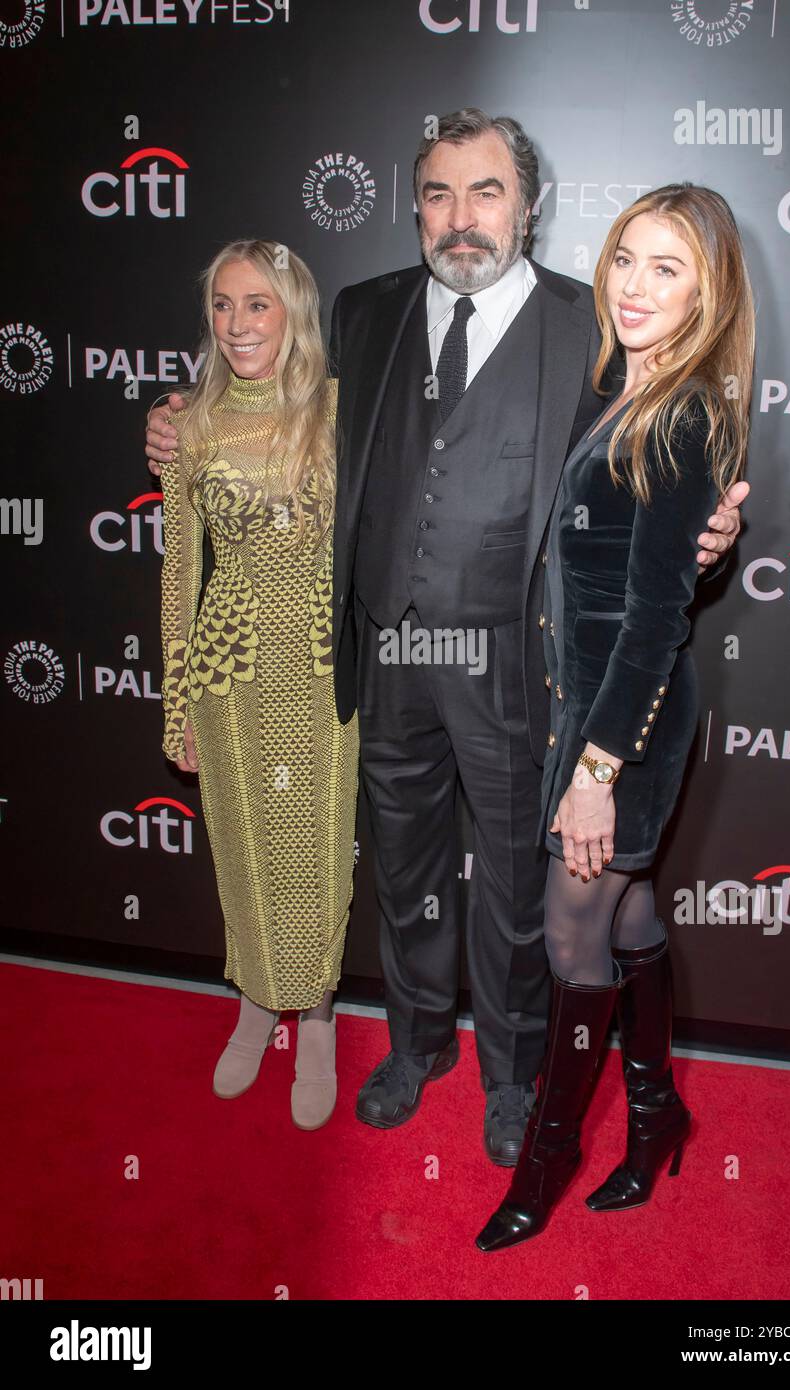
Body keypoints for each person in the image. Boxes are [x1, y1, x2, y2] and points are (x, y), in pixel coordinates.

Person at [148, 112, 746, 1165]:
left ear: (527, 204)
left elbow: (642, 480)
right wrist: (182, 421)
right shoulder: (365, 309)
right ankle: (415, 1042)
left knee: (519, 891)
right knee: (405, 866)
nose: (459, 218)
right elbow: (277, 404)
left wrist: (711, 531)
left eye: (483, 193)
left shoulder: (589, 328)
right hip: (385, 654)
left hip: (515, 660)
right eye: (436, 193)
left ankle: (513, 1073)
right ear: (414, 205)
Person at [476, 183, 754, 1251]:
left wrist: (595, 770)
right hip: (587, 710)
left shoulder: (682, 414)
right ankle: (655, 1117)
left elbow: (650, 622)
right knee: (627, 917)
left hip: (621, 721)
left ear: (705, 293)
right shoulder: (615, 377)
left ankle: (544, 1165)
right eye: (625, 258)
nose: (633, 286)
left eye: (666, 268)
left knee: (568, 932)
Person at [159, 238, 358, 1129]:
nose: (239, 324)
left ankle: (314, 1016)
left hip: (320, 665)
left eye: (258, 304)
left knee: (316, 853)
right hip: (228, 669)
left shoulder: (338, 410)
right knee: (240, 851)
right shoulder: (189, 424)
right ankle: (251, 1000)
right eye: (223, 305)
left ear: (293, 313)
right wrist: (176, 709)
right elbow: (177, 579)